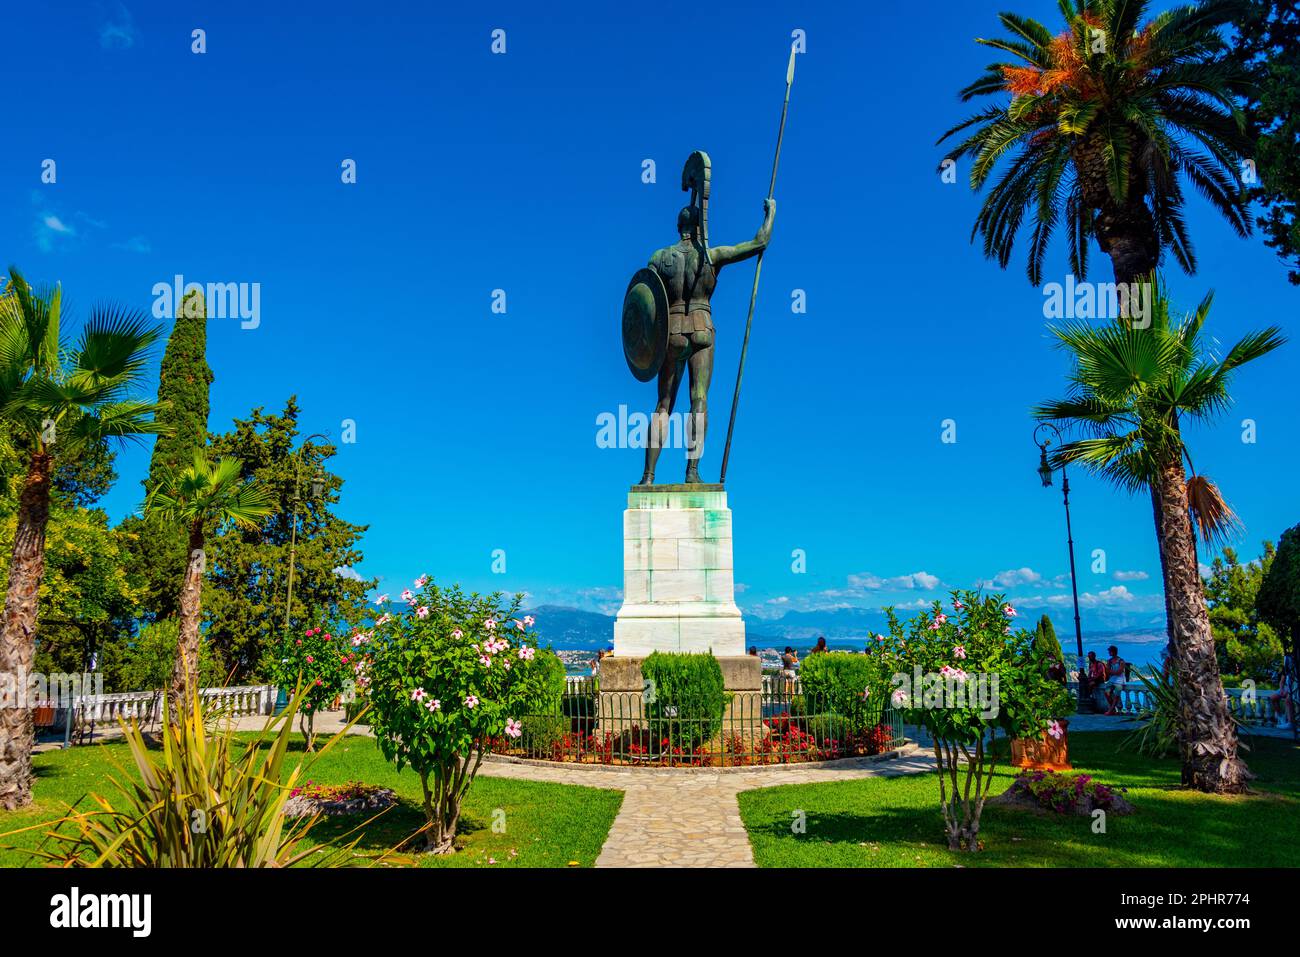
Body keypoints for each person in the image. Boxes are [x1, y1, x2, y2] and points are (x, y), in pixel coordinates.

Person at [1271, 653, 1296, 731]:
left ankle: (1290, 722)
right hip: (1286, 687)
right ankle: (1280, 716)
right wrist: (1281, 689)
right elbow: (1282, 681)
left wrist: (1288, 691)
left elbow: (1295, 683)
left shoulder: (1296, 668)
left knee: (1288, 700)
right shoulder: (1285, 668)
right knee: (1273, 697)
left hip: (1294, 687)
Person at [1103, 646, 1127, 715]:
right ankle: (1112, 709)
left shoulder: (1121, 661)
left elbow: (1119, 672)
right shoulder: (1109, 661)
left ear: (1113, 652)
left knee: (1116, 696)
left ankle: (1110, 711)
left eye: (1109, 651)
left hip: (1120, 681)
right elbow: (1107, 671)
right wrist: (1114, 672)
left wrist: (1111, 671)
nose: (1109, 653)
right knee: (1106, 692)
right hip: (1112, 680)